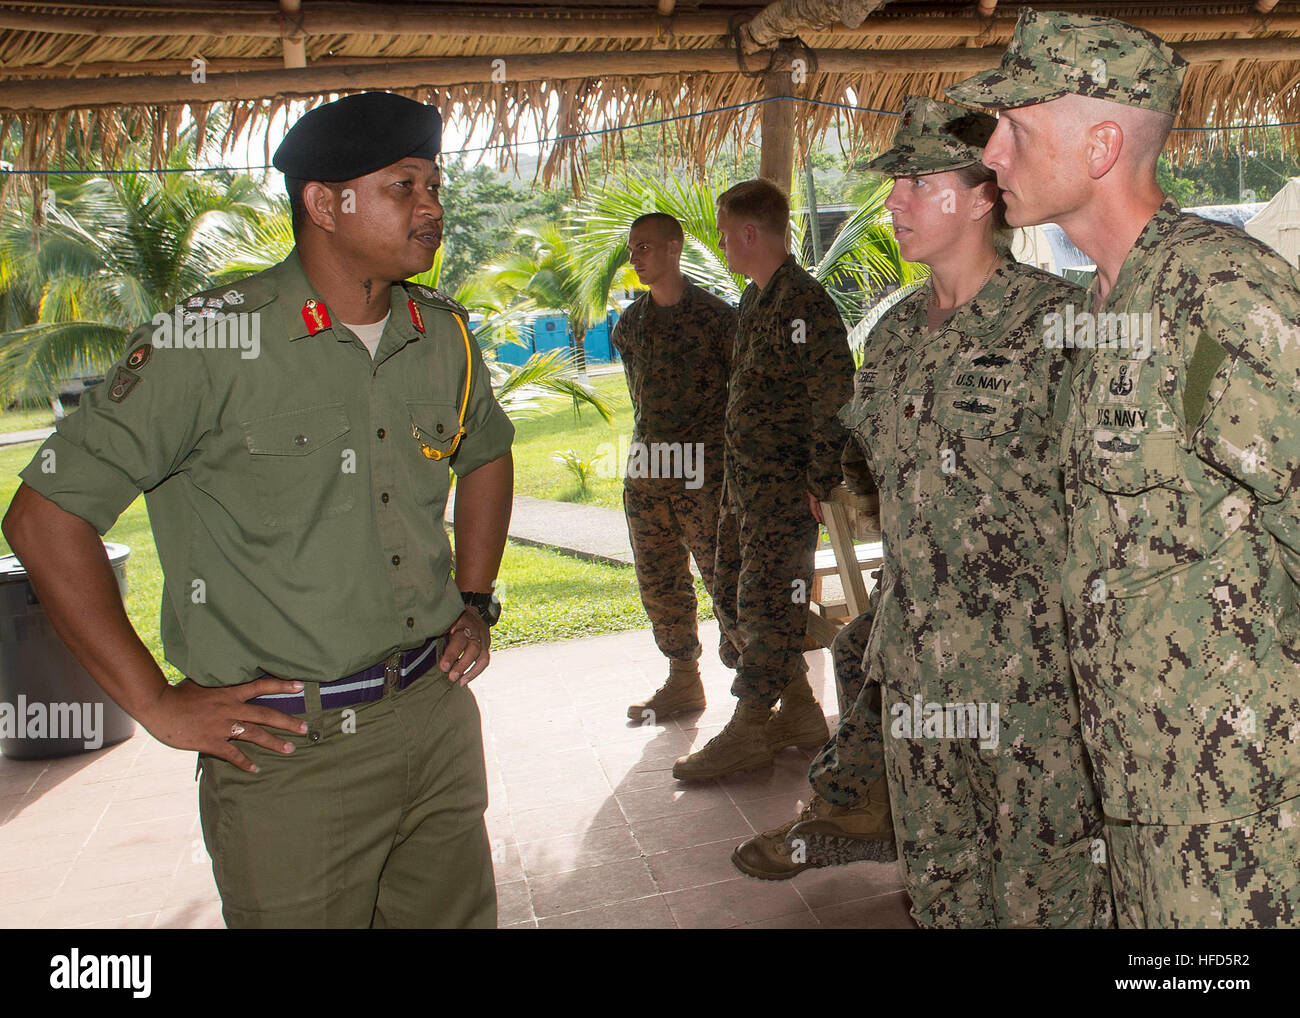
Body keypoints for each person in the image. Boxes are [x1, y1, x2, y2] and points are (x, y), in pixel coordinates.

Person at [1, 91, 515, 928]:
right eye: (405, 186)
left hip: (434, 718)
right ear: (324, 203)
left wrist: (474, 598)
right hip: (290, 757)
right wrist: (156, 703)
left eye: (435, 185)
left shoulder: (441, 335)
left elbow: (486, 451)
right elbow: (43, 517)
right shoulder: (208, 345)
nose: (433, 208)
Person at [948, 9, 1300, 928]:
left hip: (1242, 815)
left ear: (1102, 146)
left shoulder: (1214, 294)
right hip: (1143, 786)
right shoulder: (1106, 305)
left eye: (1014, 129)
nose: (989, 153)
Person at [741, 94, 1113, 925]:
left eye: (917, 182)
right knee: (943, 886)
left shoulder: (1059, 326)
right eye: (894, 184)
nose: (895, 202)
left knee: (1047, 893)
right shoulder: (896, 333)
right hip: (916, 670)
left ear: (983, 196)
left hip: (1029, 681)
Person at [672, 179, 854, 781]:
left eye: (725, 234)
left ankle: (749, 727)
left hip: (783, 489)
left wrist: (819, 478)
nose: (721, 245)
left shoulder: (804, 302)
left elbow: (834, 397)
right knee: (732, 596)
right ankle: (800, 711)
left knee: (770, 602)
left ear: (750, 233)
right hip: (743, 488)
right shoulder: (756, 300)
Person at [615, 213, 740, 721]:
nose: (636, 258)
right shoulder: (631, 323)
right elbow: (639, 400)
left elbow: (741, 397)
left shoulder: (716, 319)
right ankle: (683, 680)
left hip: (704, 476)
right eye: (631, 249)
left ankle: (763, 695)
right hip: (647, 472)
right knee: (659, 580)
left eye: (645, 247)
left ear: (674, 248)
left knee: (725, 583)